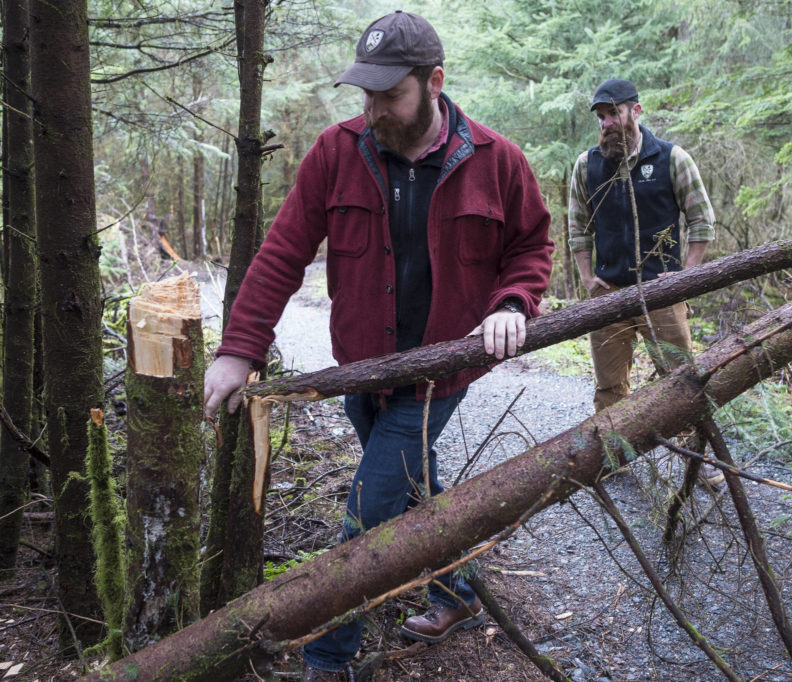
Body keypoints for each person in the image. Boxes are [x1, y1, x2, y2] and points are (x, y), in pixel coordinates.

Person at [203, 11, 552, 681]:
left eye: (390, 95)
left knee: (365, 524)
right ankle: (459, 593)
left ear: (434, 83)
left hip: (441, 373)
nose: (374, 110)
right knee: (417, 490)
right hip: (360, 371)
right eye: (367, 94)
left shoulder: (496, 160)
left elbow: (532, 246)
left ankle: (328, 661)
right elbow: (281, 255)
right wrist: (240, 348)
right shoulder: (337, 151)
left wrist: (512, 303)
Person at [568, 78, 721, 483]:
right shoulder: (587, 165)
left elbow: (702, 220)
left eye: (613, 113)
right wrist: (587, 277)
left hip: (662, 292)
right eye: (601, 117)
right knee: (609, 386)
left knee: (682, 380)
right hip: (608, 295)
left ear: (636, 111)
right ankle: (614, 456)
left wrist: (685, 276)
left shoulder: (672, 158)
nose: (606, 123)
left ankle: (698, 461)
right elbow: (577, 228)